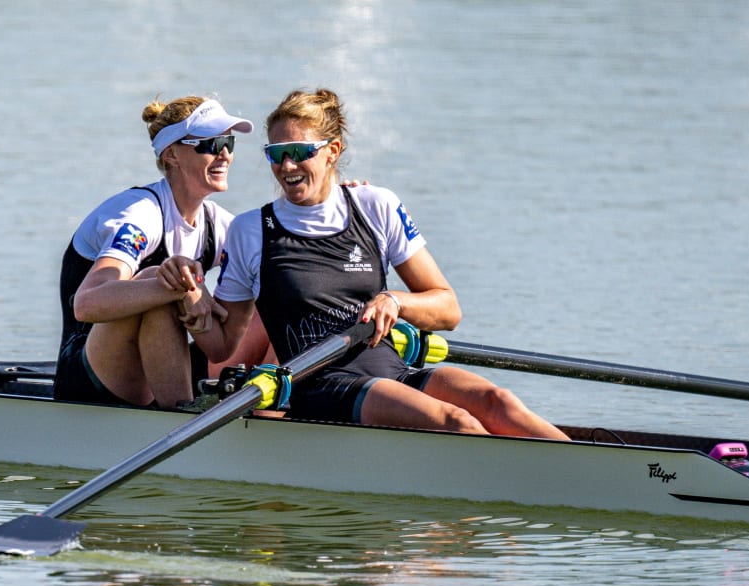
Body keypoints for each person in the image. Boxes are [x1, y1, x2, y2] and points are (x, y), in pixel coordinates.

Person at [194, 88, 570, 440]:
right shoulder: (251, 231)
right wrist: (188, 299)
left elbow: (448, 308)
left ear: (333, 151)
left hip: (391, 369)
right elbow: (222, 348)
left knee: (497, 402)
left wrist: (397, 300)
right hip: (320, 384)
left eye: (299, 151)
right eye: (276, 153)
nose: (287, 165)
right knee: (455, 422)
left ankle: (584, 476)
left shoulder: (376, 205)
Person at [54, 95, 267, 409]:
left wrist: (340, 204)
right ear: (172, 155)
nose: (224, 154)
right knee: (161, 276)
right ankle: (182, 417)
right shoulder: (139, 215)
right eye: (209, 144)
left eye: (228, 143)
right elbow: (85, 305)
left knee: (273, 292)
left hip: (148, 372)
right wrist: (184, 290)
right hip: (87, 376)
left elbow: (220, 350)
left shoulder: (222, 225)